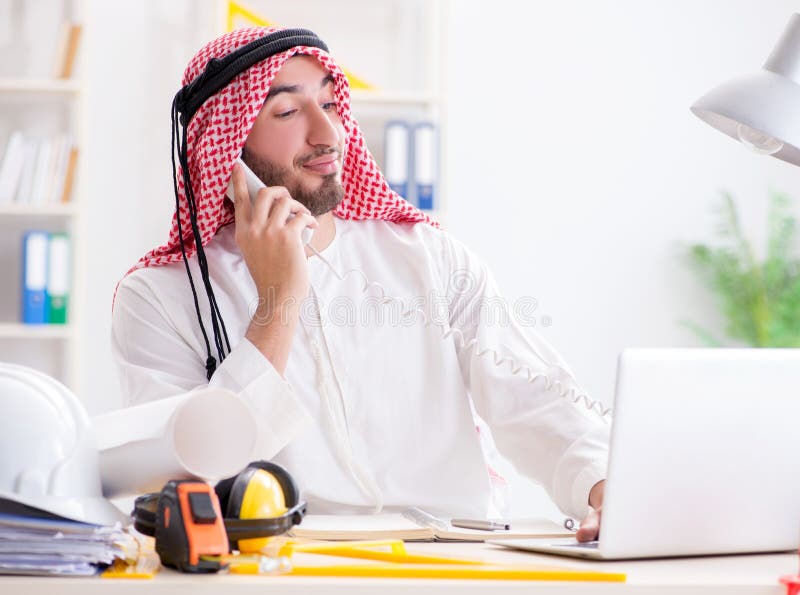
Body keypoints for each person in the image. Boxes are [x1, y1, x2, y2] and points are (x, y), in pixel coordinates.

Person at [111, 26, 608, 541]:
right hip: (284, 567)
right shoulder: (159, 296)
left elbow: (537, 398)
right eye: (286, 112)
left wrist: (604, 487)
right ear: (224, 147)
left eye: (329, 103)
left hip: (456, 561)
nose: (329, 134)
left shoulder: (429, 259)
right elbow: (186, 484)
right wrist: (277, 304)